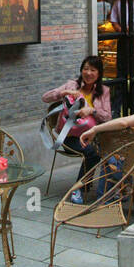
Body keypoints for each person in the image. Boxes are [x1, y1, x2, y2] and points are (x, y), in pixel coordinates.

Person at [43, 56, 112, 203]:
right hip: (69, 137)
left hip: (93, 136)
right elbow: (45, 98)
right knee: (93, 153)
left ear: (99, 74)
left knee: (112, 151)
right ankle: (78, 189)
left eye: (93, 70)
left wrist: (92, 111)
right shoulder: (72, 85)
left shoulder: (104, 91)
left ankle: (110, 189)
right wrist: (63, 93)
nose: (88, 73)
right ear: (81, 70)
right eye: (86, 69)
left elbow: (107, 117)